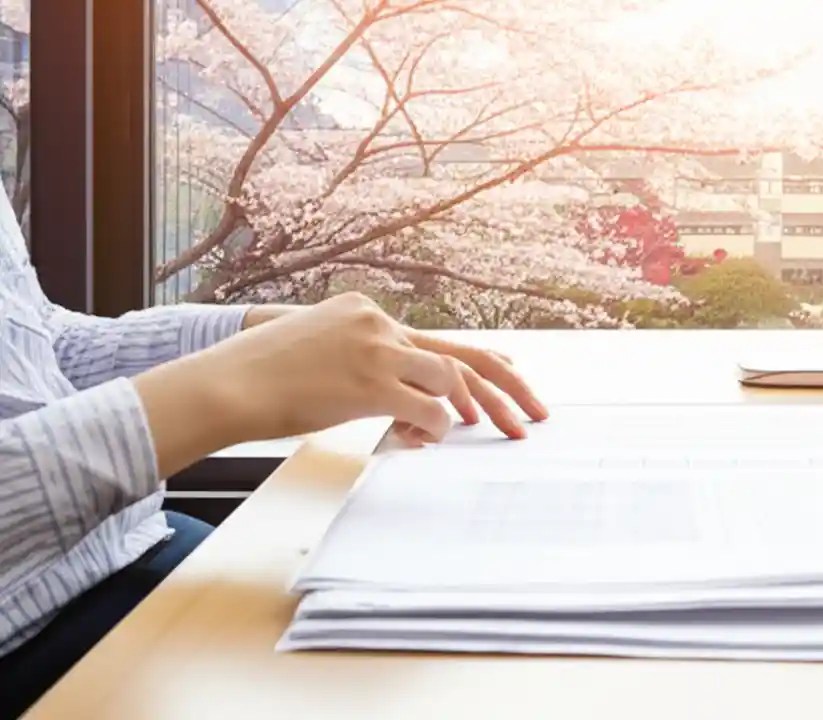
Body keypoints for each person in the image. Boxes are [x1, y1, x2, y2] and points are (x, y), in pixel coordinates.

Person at [0, 191, 546, 717]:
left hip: (139, 555)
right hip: (33, 653)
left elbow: (40, 345)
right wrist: (229, 387)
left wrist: (263, 335)